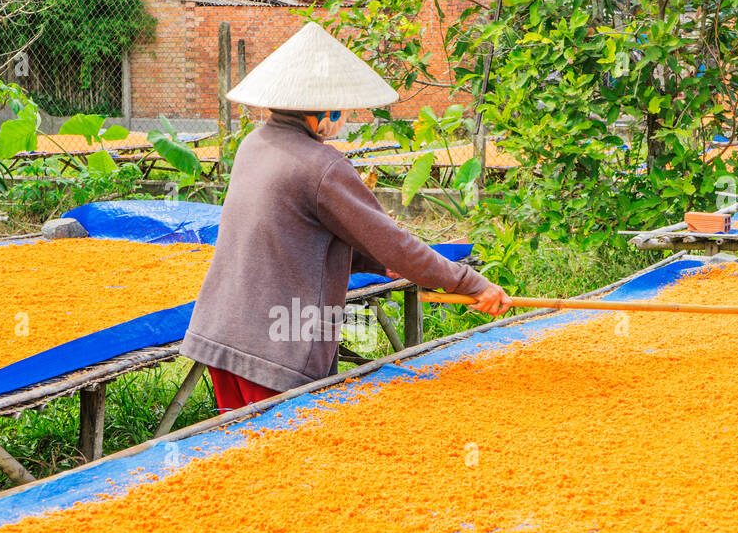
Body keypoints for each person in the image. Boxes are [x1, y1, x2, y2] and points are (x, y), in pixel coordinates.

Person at [181, 21, 511, 412]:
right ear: (323, 112)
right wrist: (472, 283)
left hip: (223, 337)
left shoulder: (255, 143)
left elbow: (294, 234)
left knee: (240, 453)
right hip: (275, 350)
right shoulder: (322, 165)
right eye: (341, 112)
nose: (343, 120)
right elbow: (396, 243)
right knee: (286, 460)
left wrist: (375, 263)